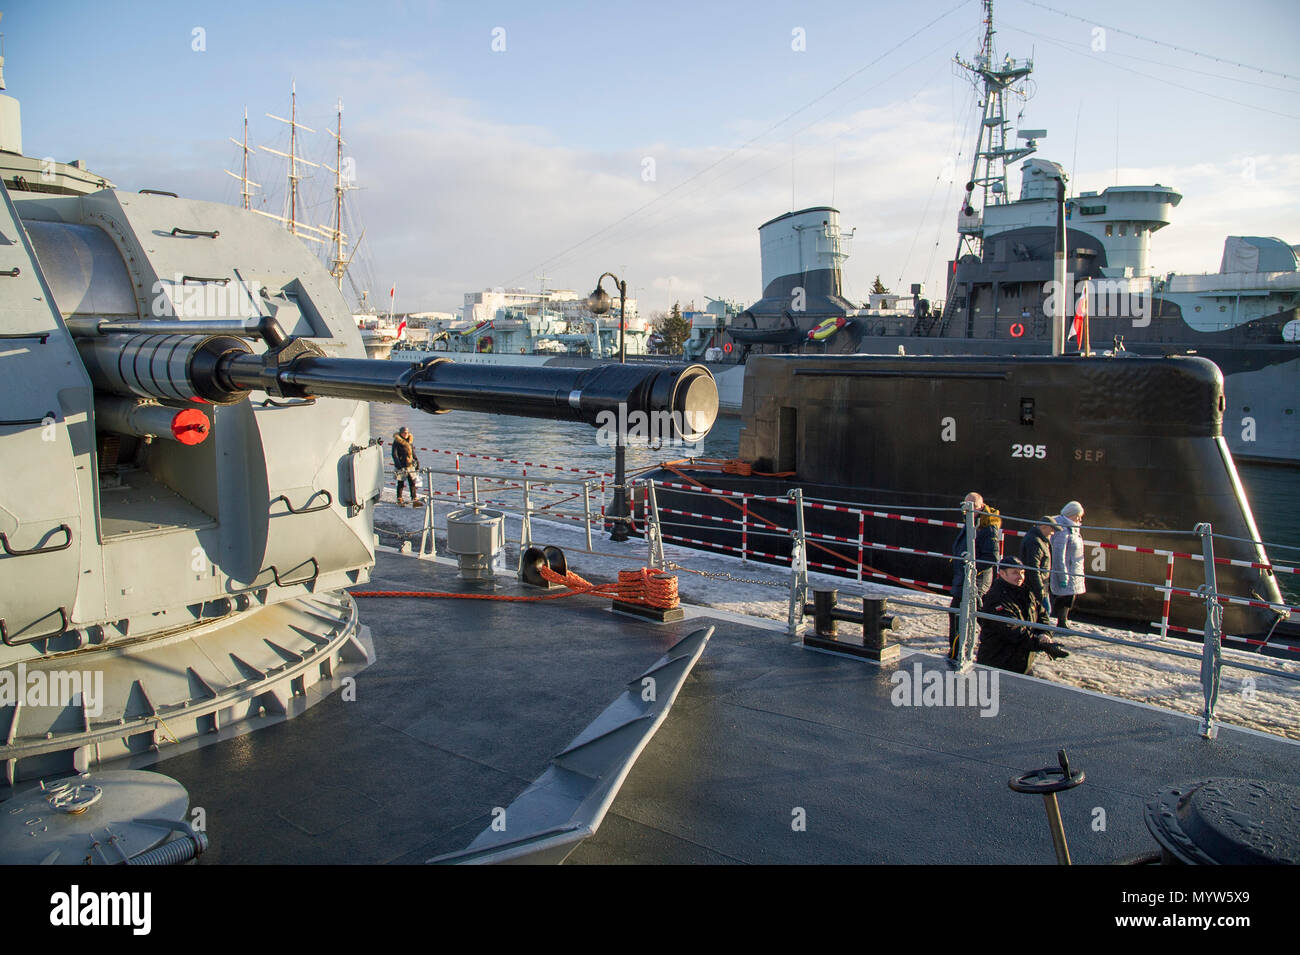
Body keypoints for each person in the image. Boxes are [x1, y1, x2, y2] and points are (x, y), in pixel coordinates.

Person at [975, 556, 1069, 674]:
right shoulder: (996, 598)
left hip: (1022, 662)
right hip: (999, 663)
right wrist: (1040, 644)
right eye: (1015, 573)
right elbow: (1012, 630)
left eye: (1022, 573)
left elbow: (1042, 615)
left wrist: (1045, 634)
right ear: (1003, 573)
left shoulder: (1027, 593)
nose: (1020, 577)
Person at [948, 491, 1000, 658]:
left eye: (969, 508)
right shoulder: (973, 521)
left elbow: (992, 557)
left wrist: (971, 565)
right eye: (964, 507)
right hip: (964, 577)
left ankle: (957, 653)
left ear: (980, 507)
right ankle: (990, 643)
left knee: (959, 612)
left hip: (974, 579)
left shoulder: (987, 527)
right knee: (975, 615)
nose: (965, 511)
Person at [1050, 500, 1087, 629]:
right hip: (1067, 567)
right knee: (1064, 596)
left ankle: (1063, 619)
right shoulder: (1063, 529)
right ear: (1073, 514)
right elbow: (1058, 554)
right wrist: (1062, 574)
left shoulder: (1071, 528)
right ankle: (1061, 621)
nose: (1080, 519)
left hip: (1073, 567)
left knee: (1069, 595)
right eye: (1079, 516)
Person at [1019, 515, 1057, 620]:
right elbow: (1033, 568)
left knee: (1039, 614)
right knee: (1045, 613)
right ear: (1044, 527)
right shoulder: (1035, 542)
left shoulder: (1038, 539)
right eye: (1052, 529)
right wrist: (1040, 591)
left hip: (1038, 585)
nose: (1053, 533)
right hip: (1036, 586)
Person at [391, 426, 421, 506]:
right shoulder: (397, 442)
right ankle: (399, 499)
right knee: (401, 482)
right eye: (404, 433)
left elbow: (412, 452)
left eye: (407, 432)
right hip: (401, 464)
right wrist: (398, 465)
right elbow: (394, 454)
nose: (406, 434)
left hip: (410, 464)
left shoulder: (409, 441)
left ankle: (414, 499)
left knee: (412, 482)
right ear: (401, 433)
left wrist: (416, 460)